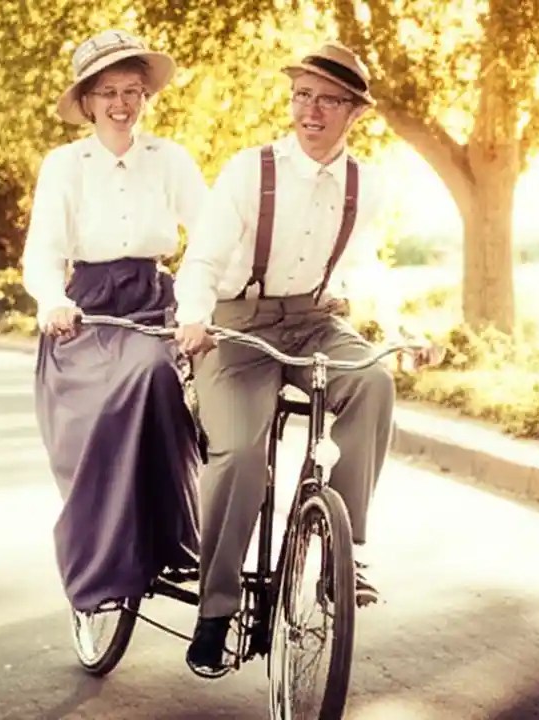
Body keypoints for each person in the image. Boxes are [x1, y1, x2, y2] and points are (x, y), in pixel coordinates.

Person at [171, 40, 439, 676]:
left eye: (327, 100)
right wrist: (193, 317)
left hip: (317, 320)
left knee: (372, 378)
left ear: (354, 113)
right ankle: (215, 609)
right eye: (301, 95)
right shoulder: (250, 170)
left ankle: (336, 554)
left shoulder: (364, 185)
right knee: (238, 453)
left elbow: (367, 264)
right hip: (236, 328)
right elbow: (204, 258)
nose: (310, 110)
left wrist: (404, 326)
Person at [22, 29, 207, 616]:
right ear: (87, 102)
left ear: (146, 97)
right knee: (100, 415)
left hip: (155, 297)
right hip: (88, 307)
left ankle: (173, 536)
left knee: (156, 372)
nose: (122, 104)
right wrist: (52, 299)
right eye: (108, 92)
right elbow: (43, 250)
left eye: (133, 90)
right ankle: (104, 563)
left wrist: (212, 296)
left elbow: (209, 233)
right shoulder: (65, 165)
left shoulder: (170, 159)